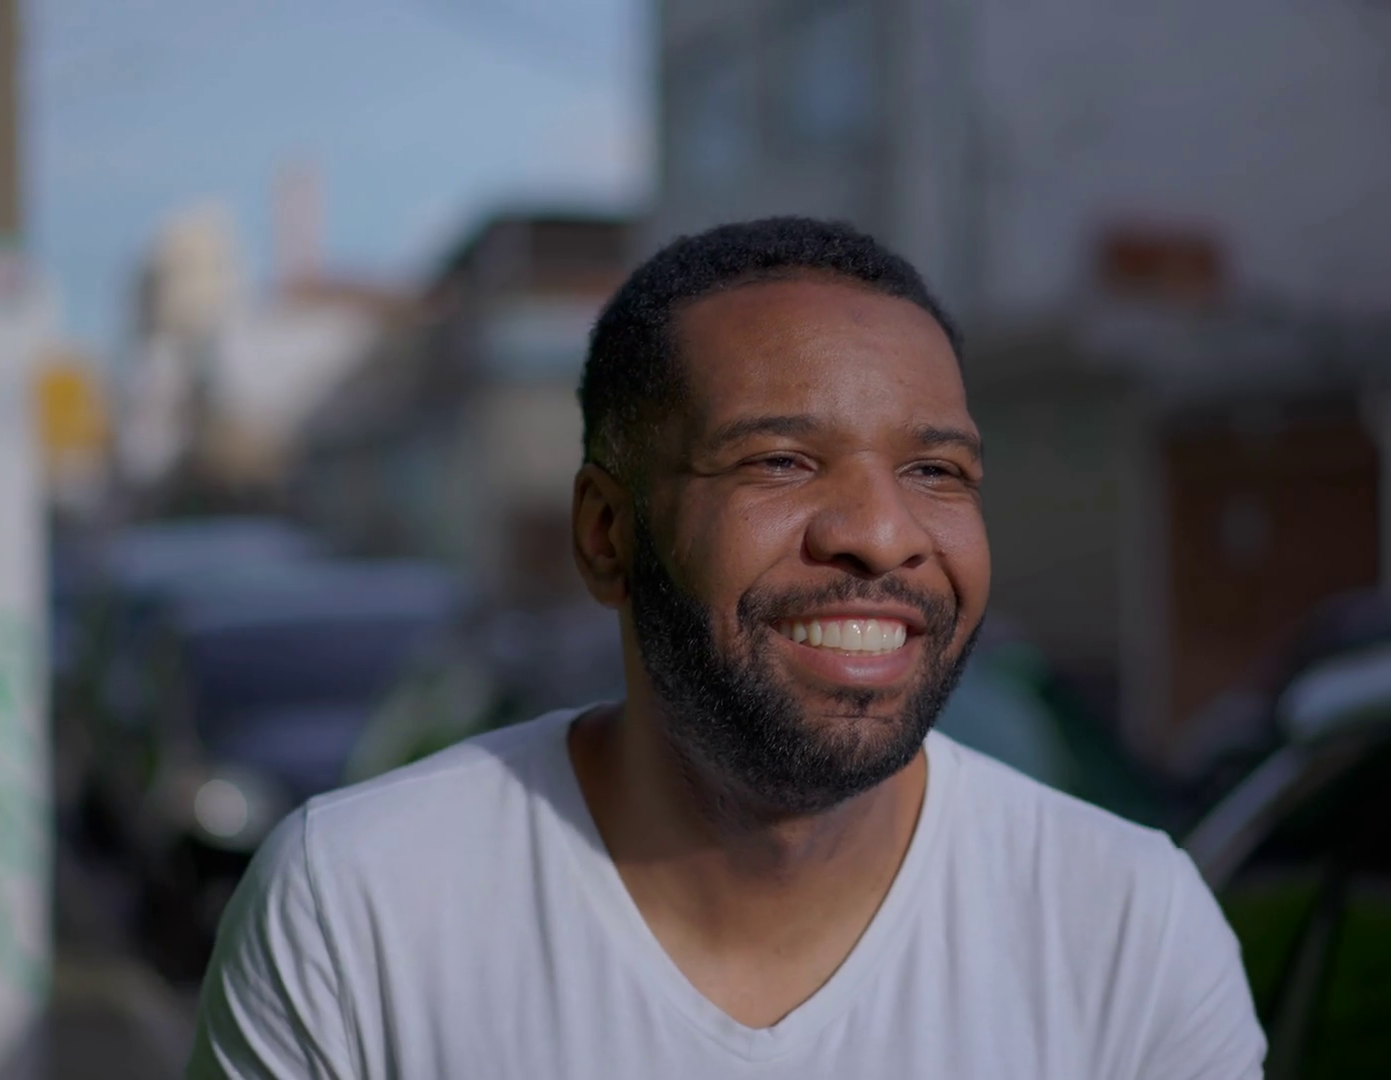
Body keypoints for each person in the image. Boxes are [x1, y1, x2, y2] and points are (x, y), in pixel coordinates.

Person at [189, 218, 1265, 1078]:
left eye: (937, 473)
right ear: (607, 534)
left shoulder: (1128, 928)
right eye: (783, 462)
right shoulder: (362, 908)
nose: (882, 534)